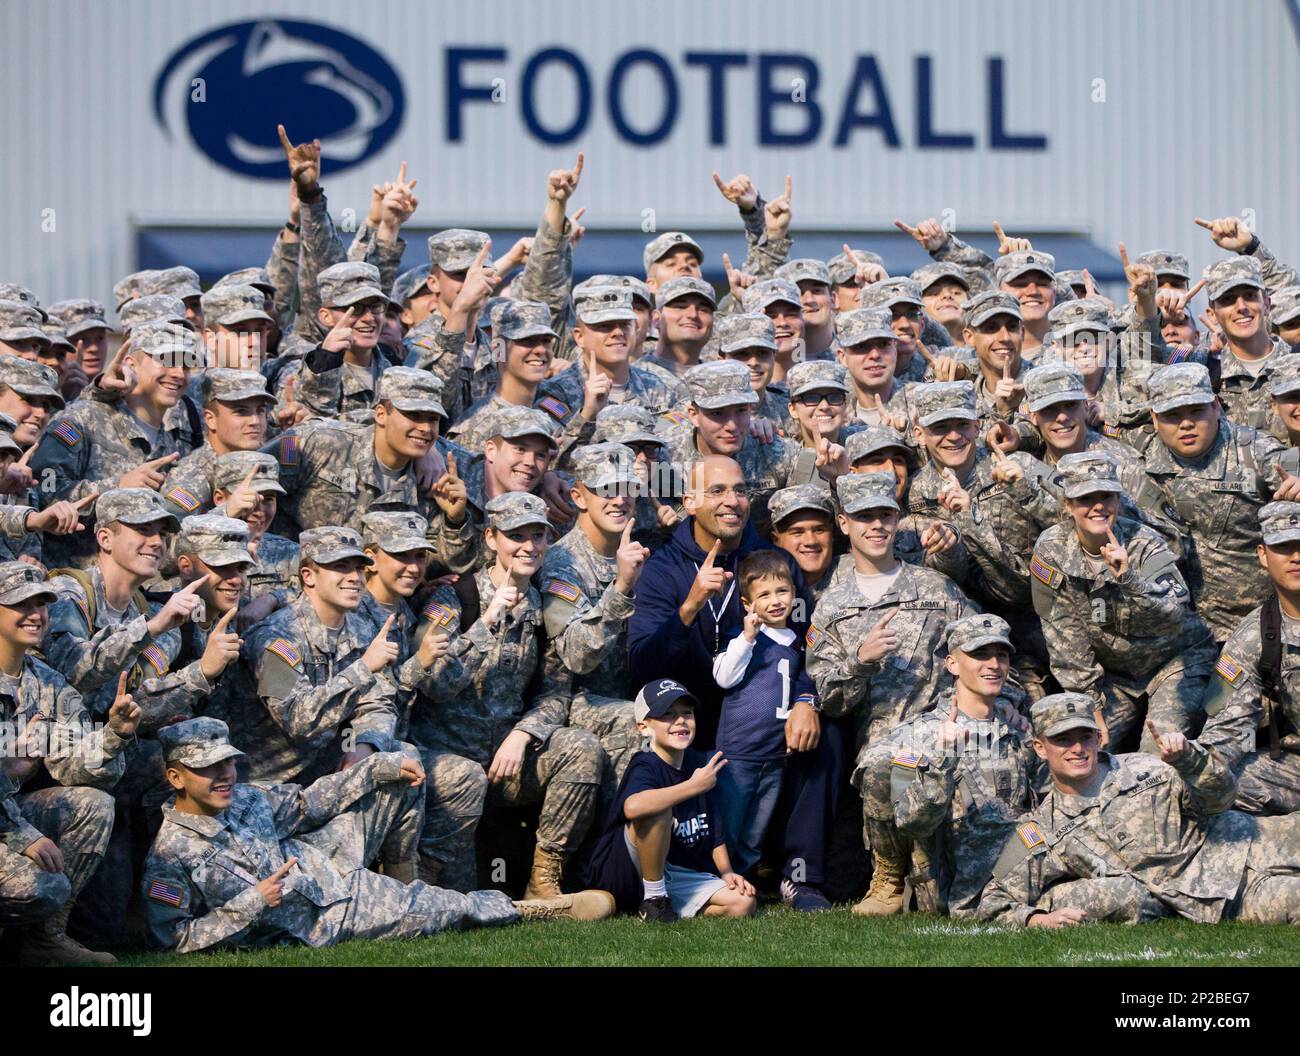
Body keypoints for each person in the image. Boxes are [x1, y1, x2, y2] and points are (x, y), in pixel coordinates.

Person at [140, 717, 589, 953]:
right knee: (438, 911)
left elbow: (312, 802)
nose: (224, 775)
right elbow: (174, 939)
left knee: (400, 765)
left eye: (228, 762)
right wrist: (252, 902)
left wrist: (379, 766)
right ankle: (522, 911)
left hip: (329, 866)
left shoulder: (248, 798)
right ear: (176, 777)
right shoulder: (170, 855)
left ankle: (403, 877)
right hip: (324, 918)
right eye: (208, 768)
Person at [406, 493, 606, 902]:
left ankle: (544, 878)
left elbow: (554, 694)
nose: (529, 547)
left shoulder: (544, 605)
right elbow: (433, 684)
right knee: (458, 893)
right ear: (492, 538)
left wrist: (524, 734)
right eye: (517, 536)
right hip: (447, 761)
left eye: (538, 536)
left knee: (581, 748)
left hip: (507, 760)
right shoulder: (454, 599)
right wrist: (487, 621)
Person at [978, 693, 1300, 927]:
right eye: (1063, 739)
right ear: (1039, 747)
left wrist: (1191, 761)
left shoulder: (1146, 767)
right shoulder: (1042, 830)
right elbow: (993, 903)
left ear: (1098, 738)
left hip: (1253, 842)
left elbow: (1220, 799)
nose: (1077, 748)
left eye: (1085, 736)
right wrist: (1036, 919)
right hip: (1223, 896)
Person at [0, 560, 141, 964]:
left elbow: (74, 767)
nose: (36, 614)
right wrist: (21, 833)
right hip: (7, 823)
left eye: (42, 604)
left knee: (93, 805)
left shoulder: (48, 683)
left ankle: (44, 940)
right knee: (35, 885)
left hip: (9, 819)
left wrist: (114, 735)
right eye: (20, 604)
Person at [1031, 452, 1216, 751]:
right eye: (1085, 498)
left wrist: (1130, 579)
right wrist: (1091, 706)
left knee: (1157, 756)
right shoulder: (1051, 550)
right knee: (1088, 750)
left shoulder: (1145, 543)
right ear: (1067, 504)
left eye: (1106, 496)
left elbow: (1173, 616)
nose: (1098, 506)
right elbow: (1065, 638)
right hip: (1115, 676)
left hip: (1173, 663)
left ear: (1118, 500)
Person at [853, 614, 1035, 918]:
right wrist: (942, 760)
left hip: (1018, 869)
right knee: (880, 768)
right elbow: (912, 821)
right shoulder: (916, 736)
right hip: (949, 876)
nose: (993, 664)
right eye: (979, 654)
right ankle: (888, 881)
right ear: (951, 664)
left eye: (1000, 655)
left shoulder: (1019, 730)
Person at [1140, 362, 1298, 641]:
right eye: (1173, 415)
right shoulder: (1141, 458)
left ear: (1215, 406)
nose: (1186, 423)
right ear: (1154, 418)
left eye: (1196, 410)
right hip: (1178, 628)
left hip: (1258, 625)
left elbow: (1292, 477)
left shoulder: (1256, 453)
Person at [29, 321, 201, 568]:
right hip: (74, 590)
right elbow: (42, 494)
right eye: (166, 360)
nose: (178, 373)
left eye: (186, 365)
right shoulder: (83, 419)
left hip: (135, 594)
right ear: (131, 364)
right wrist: (117, 487)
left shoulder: (174, 439)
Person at [588, 680, 756, 922]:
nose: (680, 721)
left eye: (686, 713)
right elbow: (633, 807)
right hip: (627, 870)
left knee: (743, 903)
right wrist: (692, 786)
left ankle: (666, 905)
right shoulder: (645, 764)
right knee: (657, 809)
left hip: (677, 873)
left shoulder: (697, 764)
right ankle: (654, 899)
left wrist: (727, 872)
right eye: (667, 714)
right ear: (644, 727)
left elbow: (714, 829)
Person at [539, 443, 648, 786]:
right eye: (606, 490)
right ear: (579, 497)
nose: (619, 499)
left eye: (627, 488)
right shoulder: (561, 562)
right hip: (568, 704)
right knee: (640, 723)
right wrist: (621, 588)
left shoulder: (639, 551)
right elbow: (577, 655)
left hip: (624, 692)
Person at [712, 549, 817, 880]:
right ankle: (717, 879)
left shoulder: (796, 642)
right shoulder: (744, 639)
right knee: (728, 821)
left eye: (782, 591)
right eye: (764, 595)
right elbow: (724, 677)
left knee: (756, 827)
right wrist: (746, 638)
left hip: (774, 756)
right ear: (748, 604)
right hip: (738, 752)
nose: (775, 601)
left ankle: (743, 877)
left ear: (794, 594)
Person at [1199, 502, 1300, 815]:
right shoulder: (1254, 636)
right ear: (1262, 555)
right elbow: (1229, 724)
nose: (1296, 557)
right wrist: (1196, 765)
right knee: (1216, 784)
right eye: (1284, 547)